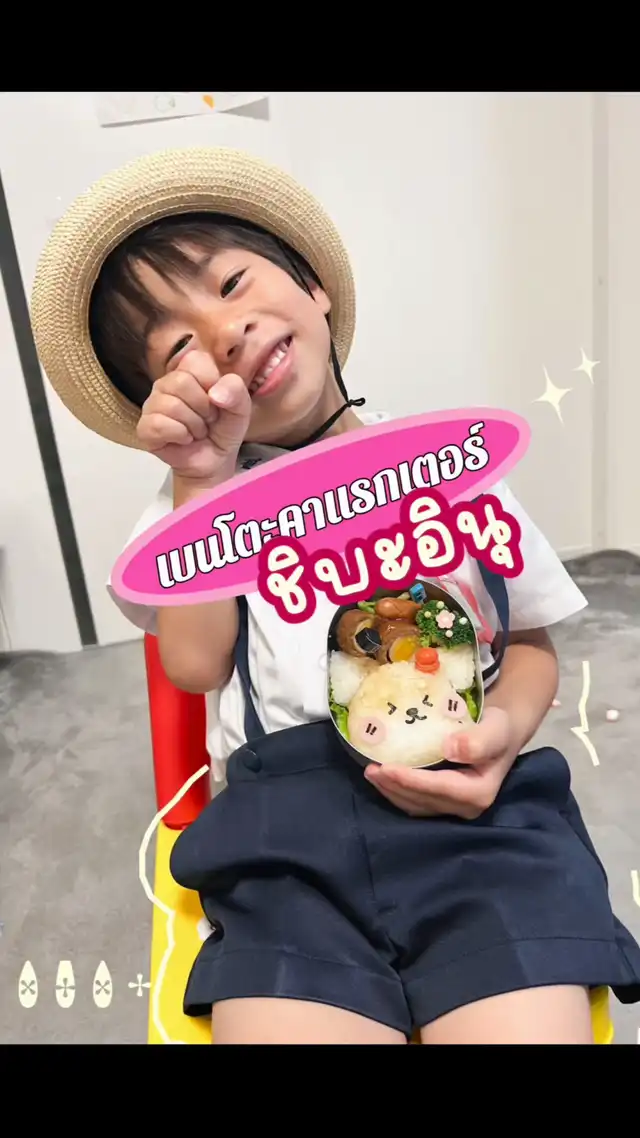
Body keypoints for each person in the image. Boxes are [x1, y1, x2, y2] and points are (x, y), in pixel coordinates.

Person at [31, 146, 640, 1045]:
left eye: (232, 283)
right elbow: (194, 665)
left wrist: (504, 734)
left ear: (315, 288)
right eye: (179, 349)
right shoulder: (194, 504)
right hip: (286, 846)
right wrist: (201, 481)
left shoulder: (446, 463)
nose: (223, 333)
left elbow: (530, 645)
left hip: (474, 815)